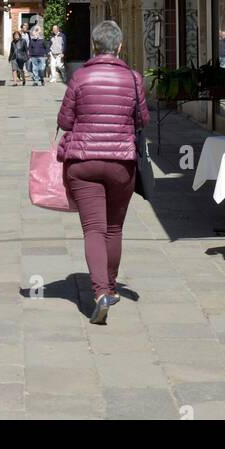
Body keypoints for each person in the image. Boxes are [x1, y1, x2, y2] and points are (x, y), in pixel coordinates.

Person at [56, 20, 148, 325]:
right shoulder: (134, 79)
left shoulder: (79, 77)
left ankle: (99, 294)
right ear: (120, 46)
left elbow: (65, 120)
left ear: (95, 47)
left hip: (84, 161)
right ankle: (109, 286)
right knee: (114, 228)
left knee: (93, 229)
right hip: (121, 162)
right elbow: (142, 120)